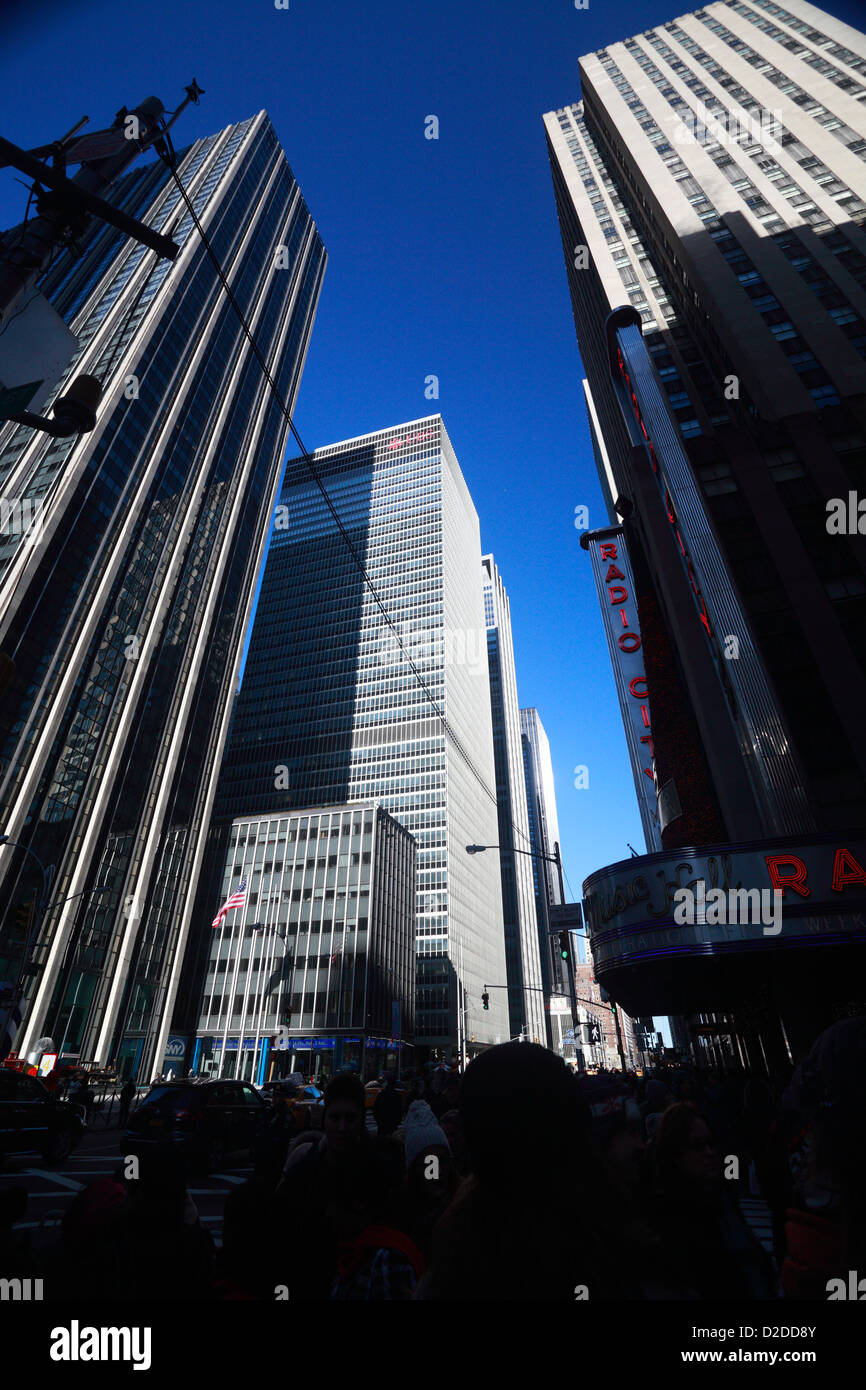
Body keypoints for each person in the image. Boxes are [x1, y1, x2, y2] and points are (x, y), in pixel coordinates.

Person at [651, 1102, 777, 1300]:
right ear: (675, 1155)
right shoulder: (673, 1217)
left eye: (710, 1143)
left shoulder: (723, 1197)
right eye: (697, 1146)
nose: (709, 1152)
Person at [268, 1072, 371, 1300]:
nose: (342, 1127)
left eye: (350, 1118)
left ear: (361, 1120)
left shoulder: (379, 1176)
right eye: (335, 1118)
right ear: (325, 1120)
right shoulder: (301, 1176)